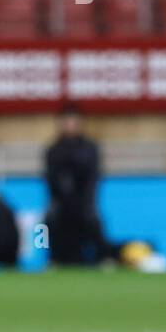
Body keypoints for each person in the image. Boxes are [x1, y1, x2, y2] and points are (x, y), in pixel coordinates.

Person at [43, 106, 109, 265]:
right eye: (66, 121)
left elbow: (93, 177)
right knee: (46, 224)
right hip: (61, 201)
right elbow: (50, 178)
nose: (70, 125)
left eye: (74, 121)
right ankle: (51, 259)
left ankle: (104, 258)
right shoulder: (53, 149)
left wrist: (86, 201)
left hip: (83, 200)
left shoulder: (89, 148)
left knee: (93, 220)